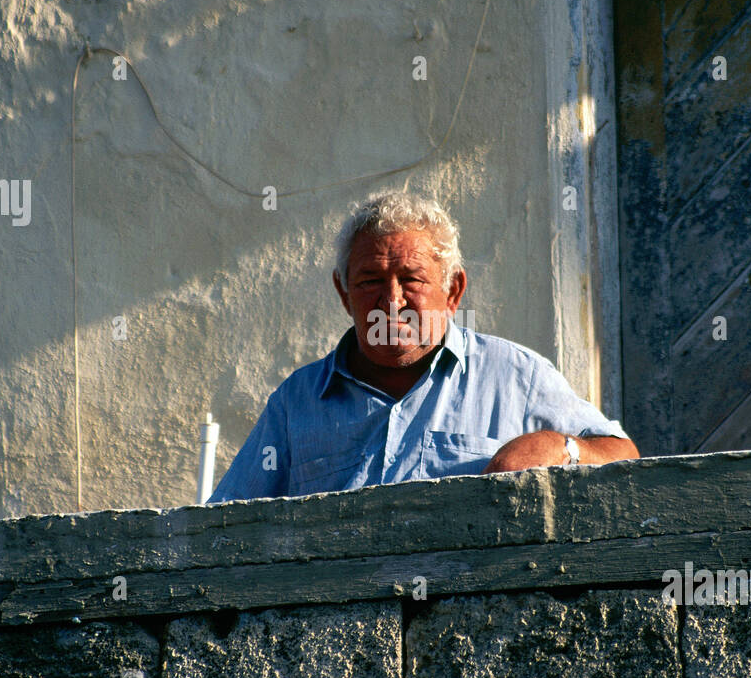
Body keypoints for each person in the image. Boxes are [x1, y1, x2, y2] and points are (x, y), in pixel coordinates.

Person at [207, 191, 638, 502]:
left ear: (453, 290)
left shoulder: (516, 377)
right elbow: (225, 522)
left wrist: (559, 447)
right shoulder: (295, 404)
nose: (391, 300)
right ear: (344, 293)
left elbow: (624, 458)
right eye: (370, 281)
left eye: (411, 280)